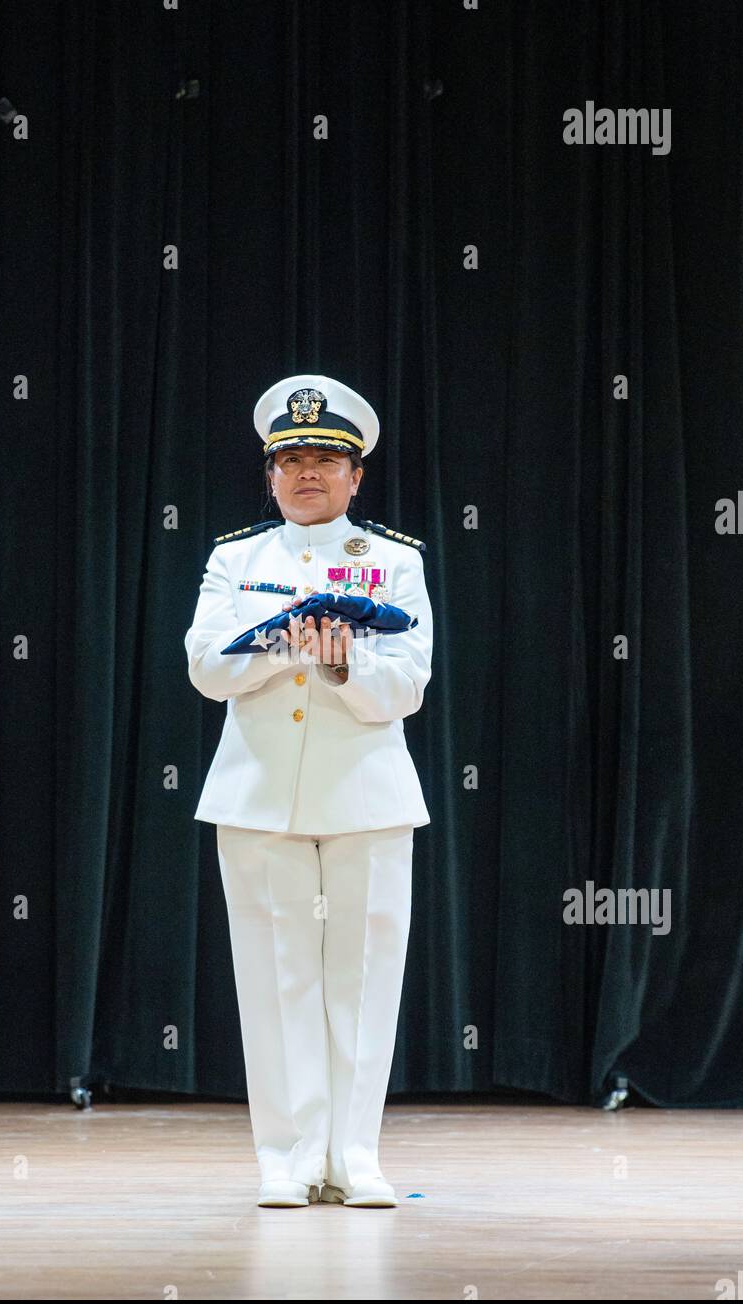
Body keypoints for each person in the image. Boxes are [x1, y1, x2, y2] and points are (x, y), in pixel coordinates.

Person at [184, 374, 433, 1208]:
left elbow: (409, 685)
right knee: (275, 977)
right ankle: (286, 1158)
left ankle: (355, 1156)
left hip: (365, 792)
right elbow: (207, 670)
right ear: (269, 473)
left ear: (356, 475)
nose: (306, 474)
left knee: (364, 978)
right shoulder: (234, 557)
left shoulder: (395, 561)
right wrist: (283, 648)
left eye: (325, 459)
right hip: (258, 797)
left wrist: (341, 662)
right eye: (290, 459)